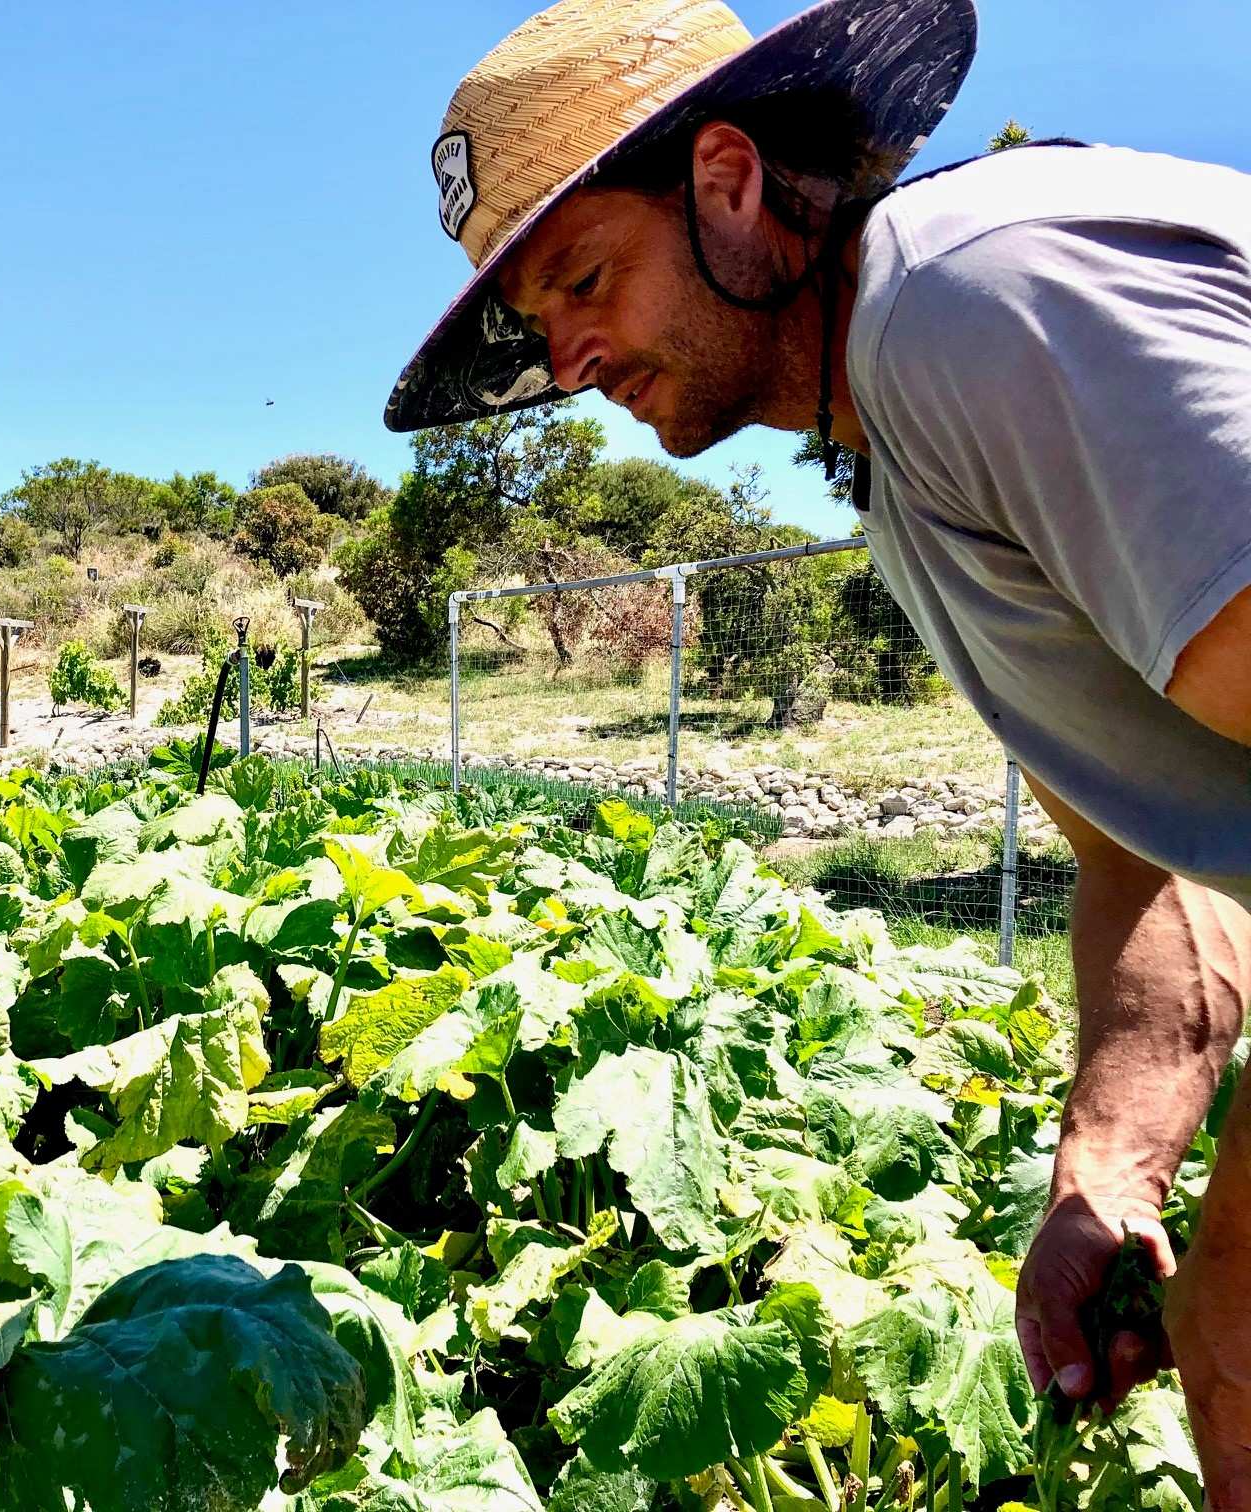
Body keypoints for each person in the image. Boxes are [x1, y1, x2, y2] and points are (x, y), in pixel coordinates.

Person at [384, 0, 1251, 1498]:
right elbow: (1146, 863)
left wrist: (1240, 1256)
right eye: (538, 324)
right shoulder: (897, 447)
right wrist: (1107, 1172)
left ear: (730, 184)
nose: (571, 361)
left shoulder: (970, 298)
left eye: (585, 278)